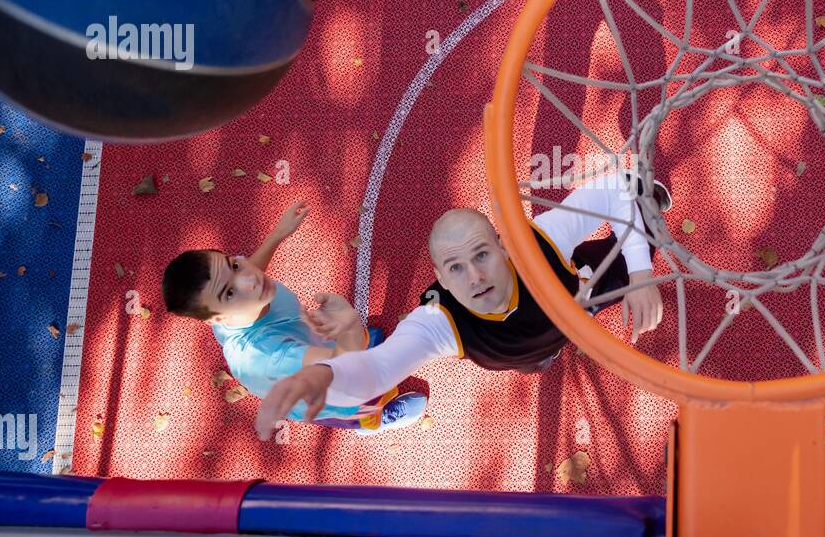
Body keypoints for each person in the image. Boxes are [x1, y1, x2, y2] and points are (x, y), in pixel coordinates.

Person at [255, 174, 670, 440]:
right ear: (439, 274)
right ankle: (545, 353)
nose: (474, 277)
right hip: (521, 348)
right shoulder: (439, 321)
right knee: (533, 359)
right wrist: (327, 374)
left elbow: (612, 188)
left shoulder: (538, 241)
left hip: (573, 304)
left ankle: (645, 214)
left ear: (504, 248)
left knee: (628, 254)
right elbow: (379, 369)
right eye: (455, 267)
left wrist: (639, 273)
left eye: (481, 256)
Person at [161, 200, 427, 435]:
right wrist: (349, 324)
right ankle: (375, 420)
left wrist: (277, 235)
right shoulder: (267, 355)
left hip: (315, 351)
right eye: (229, 292)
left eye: (234, 265)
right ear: (216, 319)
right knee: (365, 396)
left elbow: (247, 269)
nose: (249, 278)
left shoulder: (235, 302)